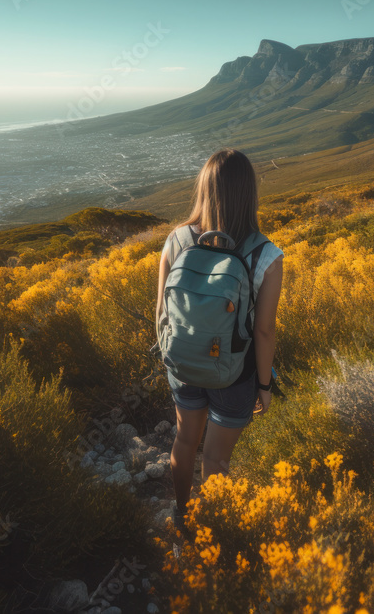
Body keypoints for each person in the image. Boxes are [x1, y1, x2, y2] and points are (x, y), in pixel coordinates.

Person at [154, 148, 284, 532]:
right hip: (234, 374)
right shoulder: (265, 254)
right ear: (250, 193)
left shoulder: (175, 240)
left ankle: (181, 517)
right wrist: (264, 384)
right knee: (216, 460)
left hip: (183, 364)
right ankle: (213, 535)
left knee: (184, 441)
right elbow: (263, 331)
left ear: (204, 188)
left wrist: (173, 359)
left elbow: (161, 312)